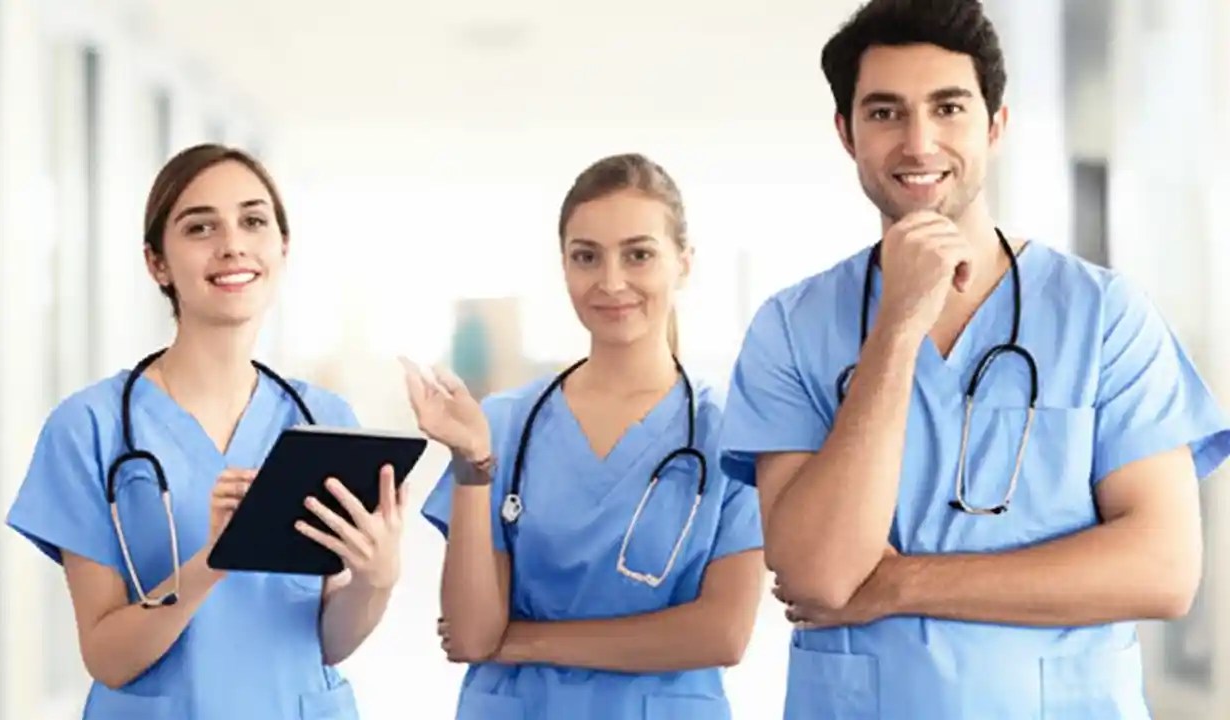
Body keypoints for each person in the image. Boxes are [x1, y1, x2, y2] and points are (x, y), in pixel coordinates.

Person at [718, 1, 1230, 718]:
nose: (919, 142)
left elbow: (1165, 569)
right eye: (885, 112)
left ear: (995, 126)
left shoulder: (1104, 316)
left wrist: (905, 584)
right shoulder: (793, 328)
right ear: (847, 134)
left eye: (949, 107)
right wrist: (898, 326)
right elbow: (819, 576)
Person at [5, 144, 403, 719]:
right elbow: (108, 659)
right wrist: (212, 562)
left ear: (282, 248)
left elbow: (329, 642)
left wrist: (377, 581)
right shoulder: (88, 427)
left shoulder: (324, 422)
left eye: (253, 220)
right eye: (200, 227)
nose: (232, 243)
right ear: (157, 263)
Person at [404, 153, 765, 720]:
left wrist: (526, 642)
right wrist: (473, 463)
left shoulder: (730, 432)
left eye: (639, 254)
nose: (611, 281)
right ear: (565, 268)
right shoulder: (501, 426)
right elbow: (473, 637)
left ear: (684, 264)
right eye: (587, 257)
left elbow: (721, 634)